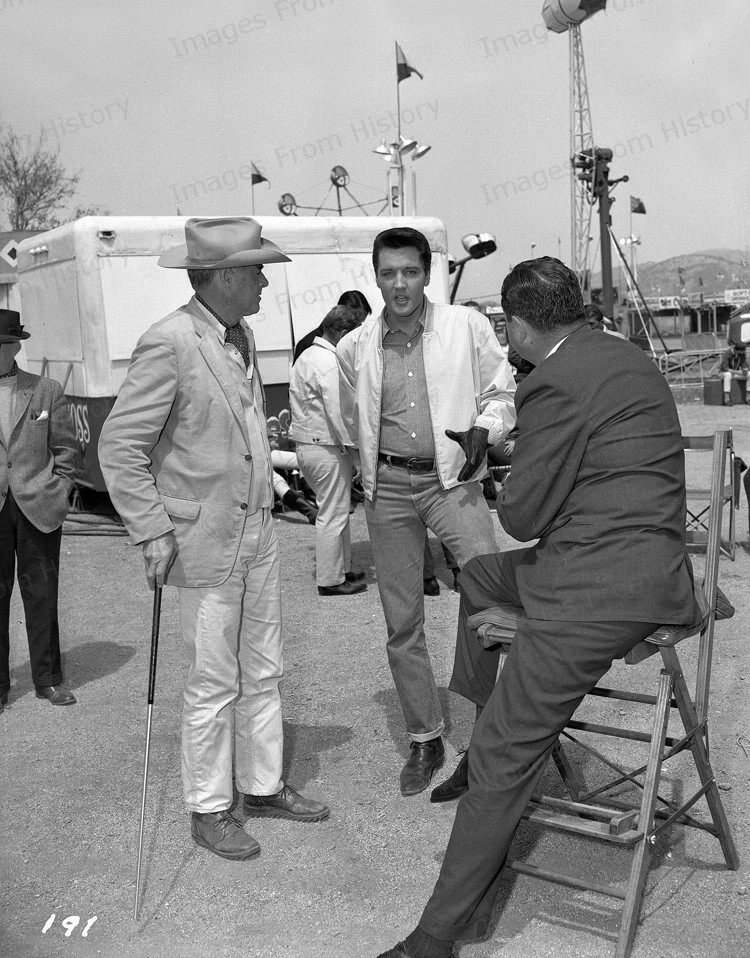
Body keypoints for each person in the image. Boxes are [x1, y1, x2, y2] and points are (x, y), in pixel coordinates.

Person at [376, 256, 698, 958]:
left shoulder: (550, 381)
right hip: (654, 567)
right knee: (483, 577)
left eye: (507, 329)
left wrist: (500, 473)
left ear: (519, 325)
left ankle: (437, 935)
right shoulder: (628, 357)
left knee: (500, 757)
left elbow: (524, 516)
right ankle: (487, 704)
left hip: (598, 589)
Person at [98, 217, 329, 862]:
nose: (263, 280)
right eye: (255, 269)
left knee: (264, 669)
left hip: (258, 531)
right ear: (223, 276)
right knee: (211, 681)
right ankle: (209, 806)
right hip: (202, 543)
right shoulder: (169, 341)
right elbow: (118, 446)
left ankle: (260, 785)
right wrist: (150, 530)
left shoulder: (239, 334)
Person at [337, 226, 516, 796]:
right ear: (376, 275)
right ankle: (425, 737)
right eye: (388, 273)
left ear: (427, 274)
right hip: (387, 489)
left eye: (409, 272)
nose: (399, 285)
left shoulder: (467, 327)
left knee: (488, 599)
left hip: (453, 482)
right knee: (401, 620)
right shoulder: (354, 346)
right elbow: (352, 418)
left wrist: (485, 431)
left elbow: (502, 393)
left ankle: (492, 734)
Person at [0, 310, 78, 713]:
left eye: (3, 344)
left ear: (16, 346)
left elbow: (67, 450)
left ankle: (49, 680)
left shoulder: (45, 390)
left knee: (42, 594)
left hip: (38, 505)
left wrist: (59, 490)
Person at [289, 304, 367, 596]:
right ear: (342, 333)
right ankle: (331, 580)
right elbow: (340, 414)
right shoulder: (329, 363)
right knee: (333, 515)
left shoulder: (307, 356)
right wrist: (357, 454)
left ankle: (343, 569)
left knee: (336, 512)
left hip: (310, 446)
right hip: (327, 448)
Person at [293, 290, 371, 363]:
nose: (357, 329)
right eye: (355, 321)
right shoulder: (306, 345)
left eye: (360, 323)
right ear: (339, 312)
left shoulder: (356, 344)